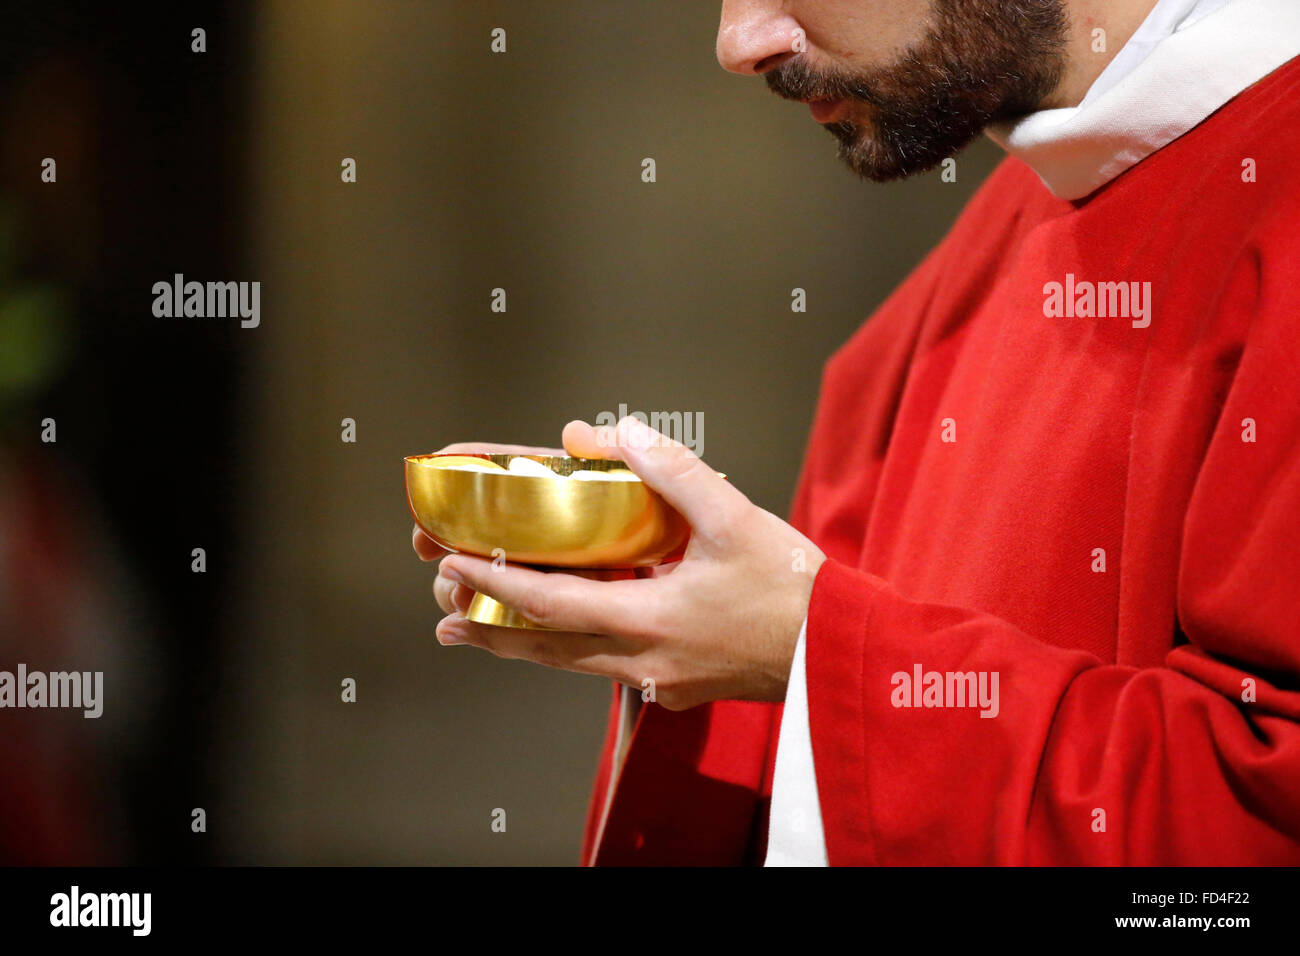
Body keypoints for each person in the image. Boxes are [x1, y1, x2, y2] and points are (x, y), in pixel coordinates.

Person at [412, 0, 1300, 865]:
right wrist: (682, 596)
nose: (739, 41)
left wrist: (811, 653)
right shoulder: (1006, 228)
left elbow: (1260, 818)